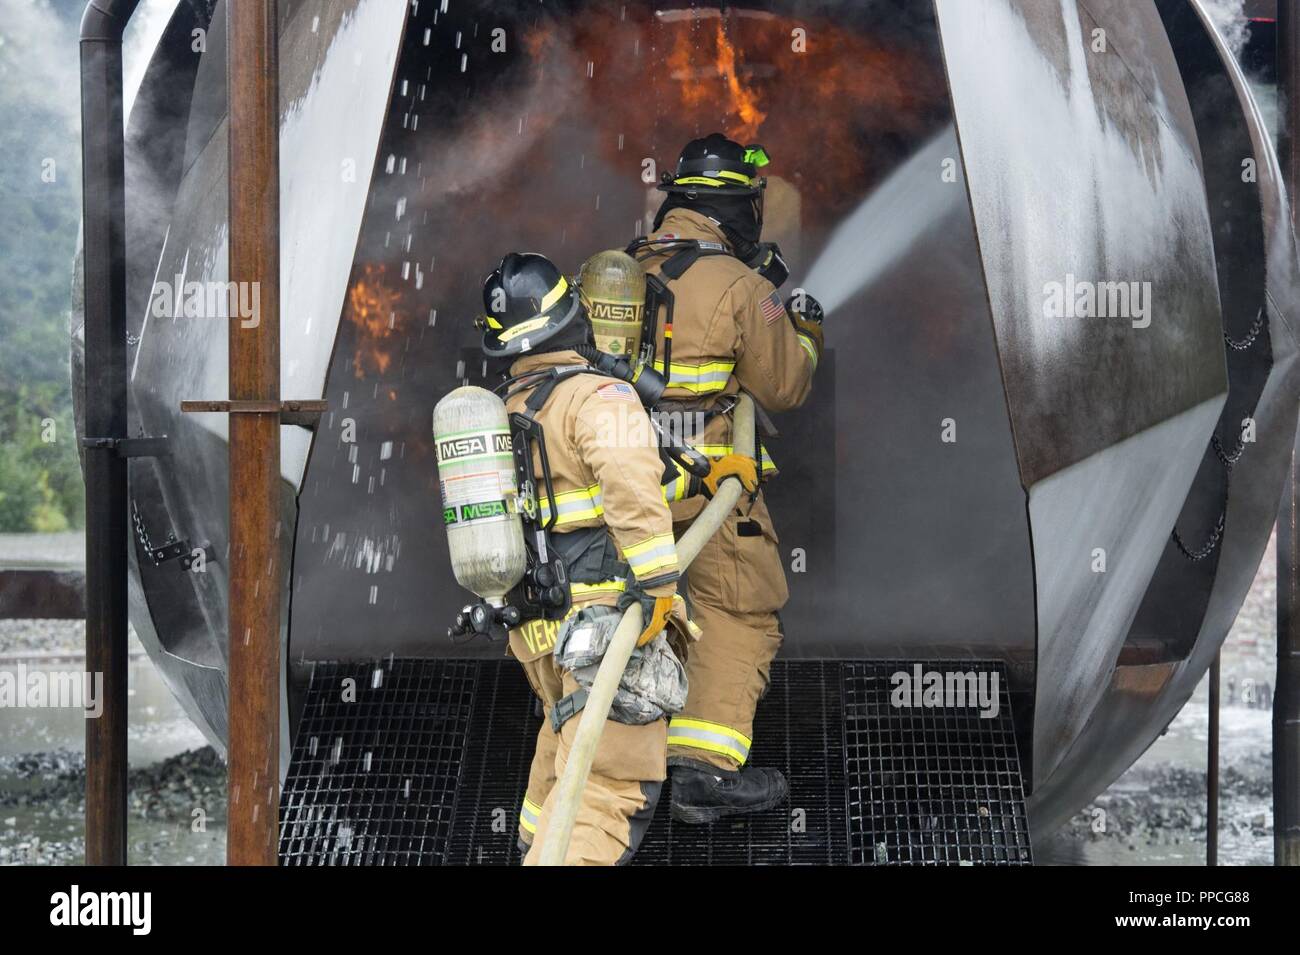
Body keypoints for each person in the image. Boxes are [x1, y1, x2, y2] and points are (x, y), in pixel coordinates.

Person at [480, 251, 706, 865]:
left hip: (539, 628)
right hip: (603, 623)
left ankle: (534, 847)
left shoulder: (510, 409)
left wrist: (700, 480)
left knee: (566, 750)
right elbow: (628, 489)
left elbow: (571, 499)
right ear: (573, 316)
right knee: (609, 786)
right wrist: (659, 589)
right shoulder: (597, 395)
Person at [628, 133, 823, 823]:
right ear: (737, 206)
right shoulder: (748, 289)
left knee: (631, 617)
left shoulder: (616, 270)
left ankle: (621, 770)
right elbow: (785, 383)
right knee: (738, 610)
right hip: (710, 490)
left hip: (617, 495)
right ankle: (702, 771)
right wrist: (800, 324)